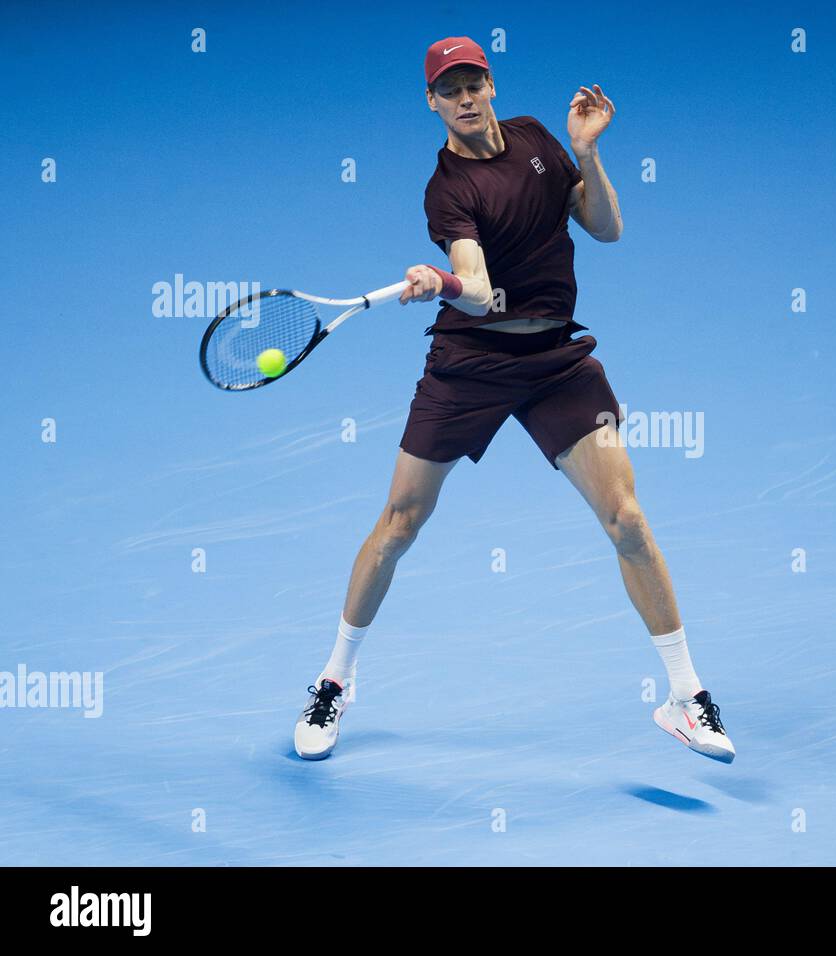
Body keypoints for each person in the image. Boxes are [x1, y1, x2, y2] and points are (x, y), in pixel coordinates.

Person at [293, 36, 734, 765]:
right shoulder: (448, 191)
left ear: (491, 85)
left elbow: (606, 229)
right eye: (449, 89)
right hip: (471, 360)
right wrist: (445, 283)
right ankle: (334, 678)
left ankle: (686, 697)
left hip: (557, 359)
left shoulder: (534, 139)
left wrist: (586, 153)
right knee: (400, 522)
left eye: (474, 82)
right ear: (431, 103)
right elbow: (477, 283)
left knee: (627, 517)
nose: (464, 97)